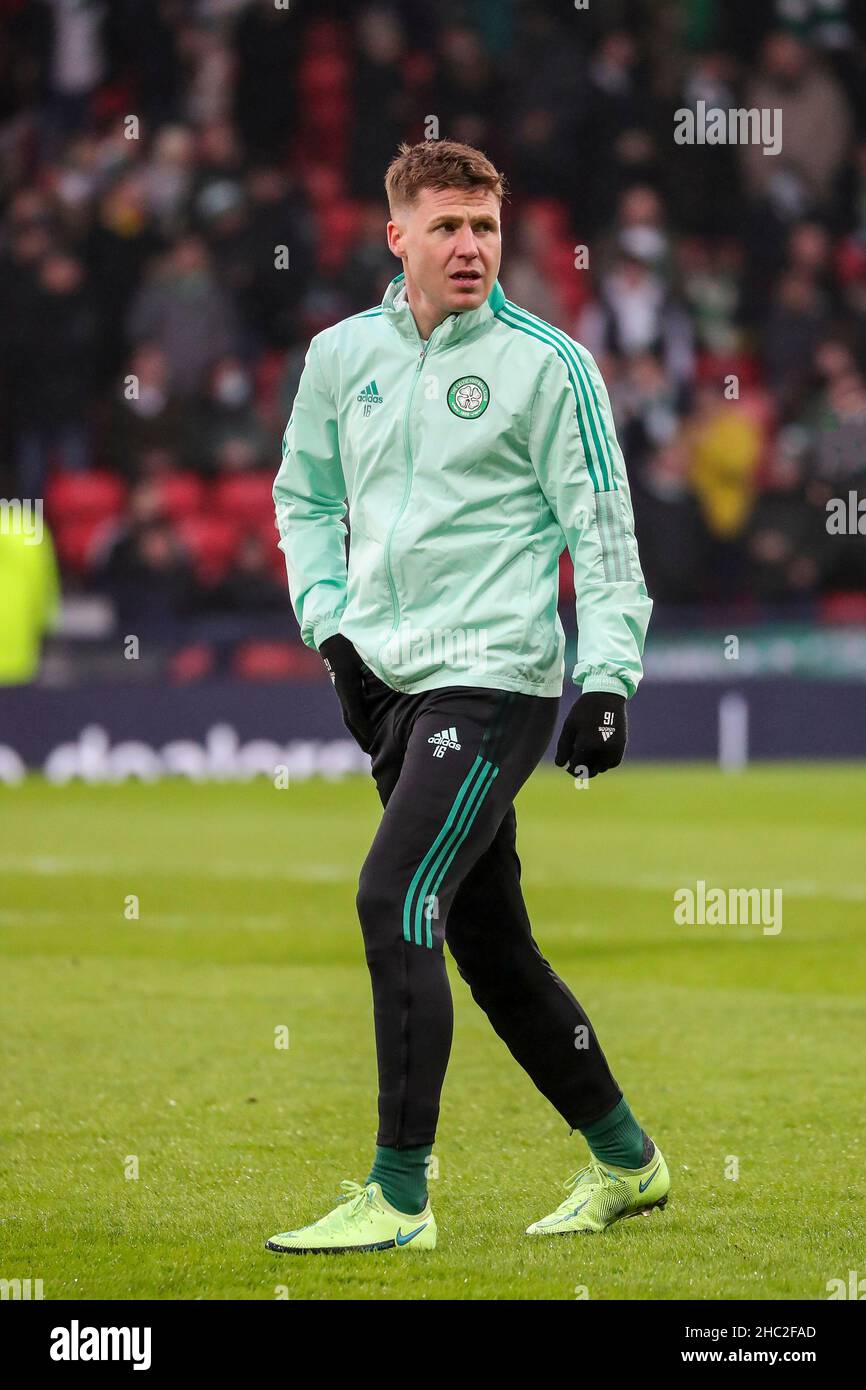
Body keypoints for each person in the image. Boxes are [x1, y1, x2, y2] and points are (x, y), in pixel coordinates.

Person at [268, 140, 667, 1254]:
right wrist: (331, 628)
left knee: (391, 895)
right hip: (386, 680)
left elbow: (602, 532)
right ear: (394, 236)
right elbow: (301, 497)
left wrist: (606, 677)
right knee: (492, 949)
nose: (468, 247)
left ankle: (398, 1197)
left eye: (484, 227)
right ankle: (628, 1160)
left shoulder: (550, 366)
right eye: (444, 226)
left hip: (494, 678)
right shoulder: (340, 355)